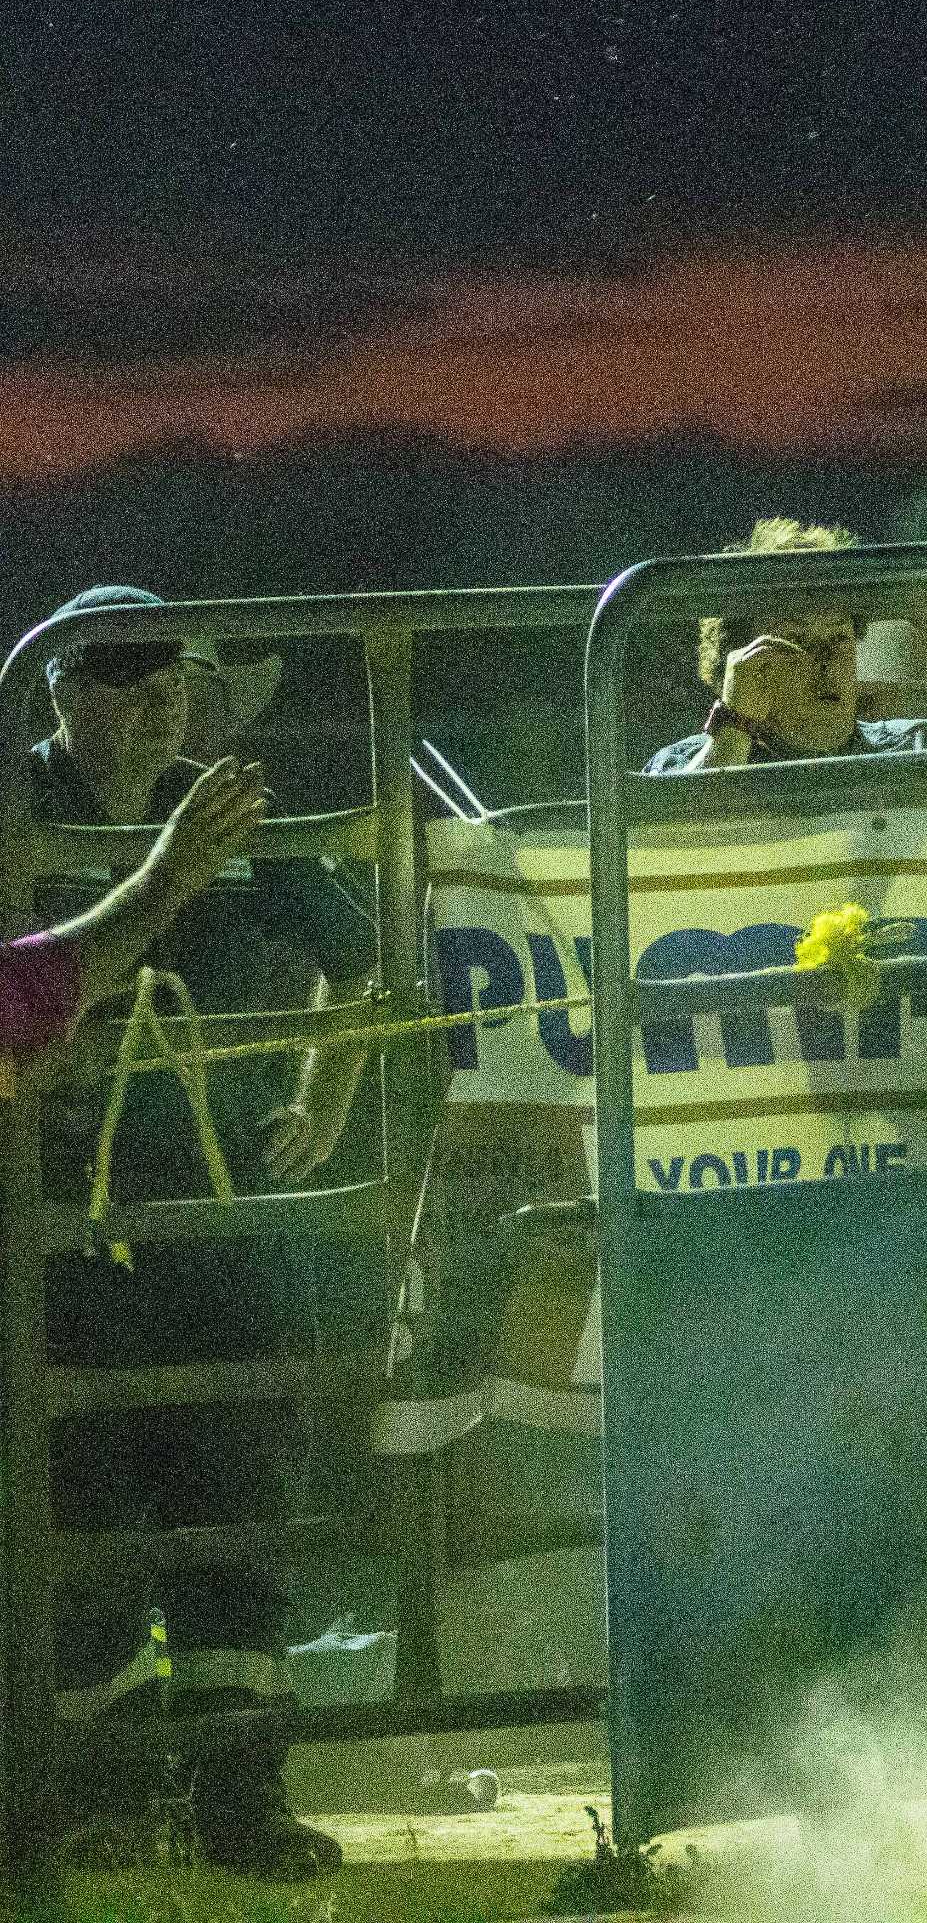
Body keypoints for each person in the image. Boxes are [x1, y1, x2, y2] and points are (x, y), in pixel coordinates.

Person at [22, 584, 372, 1877]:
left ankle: (239, 1799)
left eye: (172, 673)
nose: (157, 696)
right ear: (63, 692)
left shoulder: (224, 804)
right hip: (50, 1223)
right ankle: (101, 1793)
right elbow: (27, 994)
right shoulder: (16, 809)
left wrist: (321, 1098)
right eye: (121, 675)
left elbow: (372, 959)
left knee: (232, 1488)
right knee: (84, 1509)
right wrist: (170, 877)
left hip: (213, 1208)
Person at [2, 757, 269, 1101]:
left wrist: (312, 1113)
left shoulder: (200, 789)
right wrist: (162, 883)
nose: (165, 702)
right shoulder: (27, 788)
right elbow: (25, 990)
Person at [643, 519, 927, 773]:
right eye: (798, 641)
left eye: (839, 637)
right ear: (740, 667)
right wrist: (734, 727)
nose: (828, 661)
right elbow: (683, 855)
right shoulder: (673, 769)